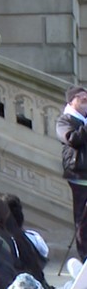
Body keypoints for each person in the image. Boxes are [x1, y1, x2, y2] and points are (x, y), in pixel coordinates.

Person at [58, 85, 87, 259]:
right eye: (82, 98)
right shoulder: (65, 121)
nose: (86, 101)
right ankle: (84, 258)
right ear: (71, 101)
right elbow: (72, 139)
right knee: (83, 221)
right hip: (79, 176)